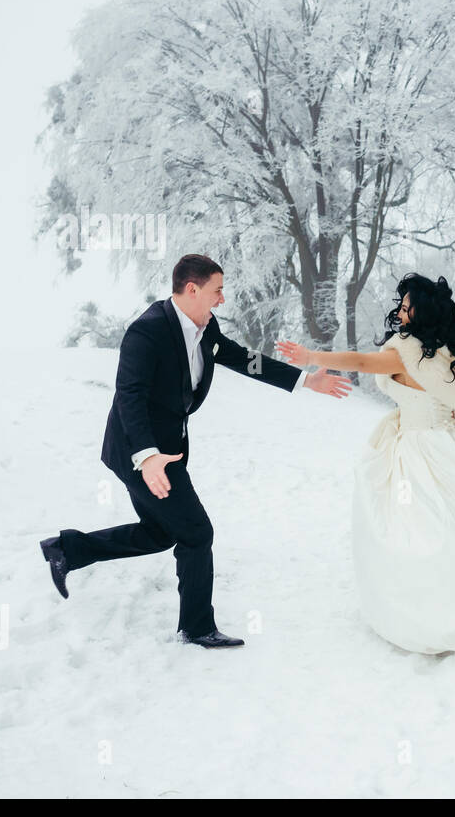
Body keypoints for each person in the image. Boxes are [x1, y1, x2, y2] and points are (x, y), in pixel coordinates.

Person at [39, 254, 351, 647]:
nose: (222, 299)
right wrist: (147, 457)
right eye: (217, 290)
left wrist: (305, 381)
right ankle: (197, 627)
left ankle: (66, 549)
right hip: (139, 452)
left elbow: (243, 359)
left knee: (161, 532)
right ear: (192, 289)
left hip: (167, 451)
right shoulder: (147, 332)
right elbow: (128, 397)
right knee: (197, 533)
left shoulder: (206, 327)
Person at [275, 273, 455, 657]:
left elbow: (358, 361)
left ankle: (444, 616)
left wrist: (312, 358)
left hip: (420, 449)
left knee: (424, 530)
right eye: (401, 306)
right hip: (454, 443)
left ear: (423, 314)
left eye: (408, 308)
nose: (401, 313)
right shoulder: (452, 351)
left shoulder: (405, 351)